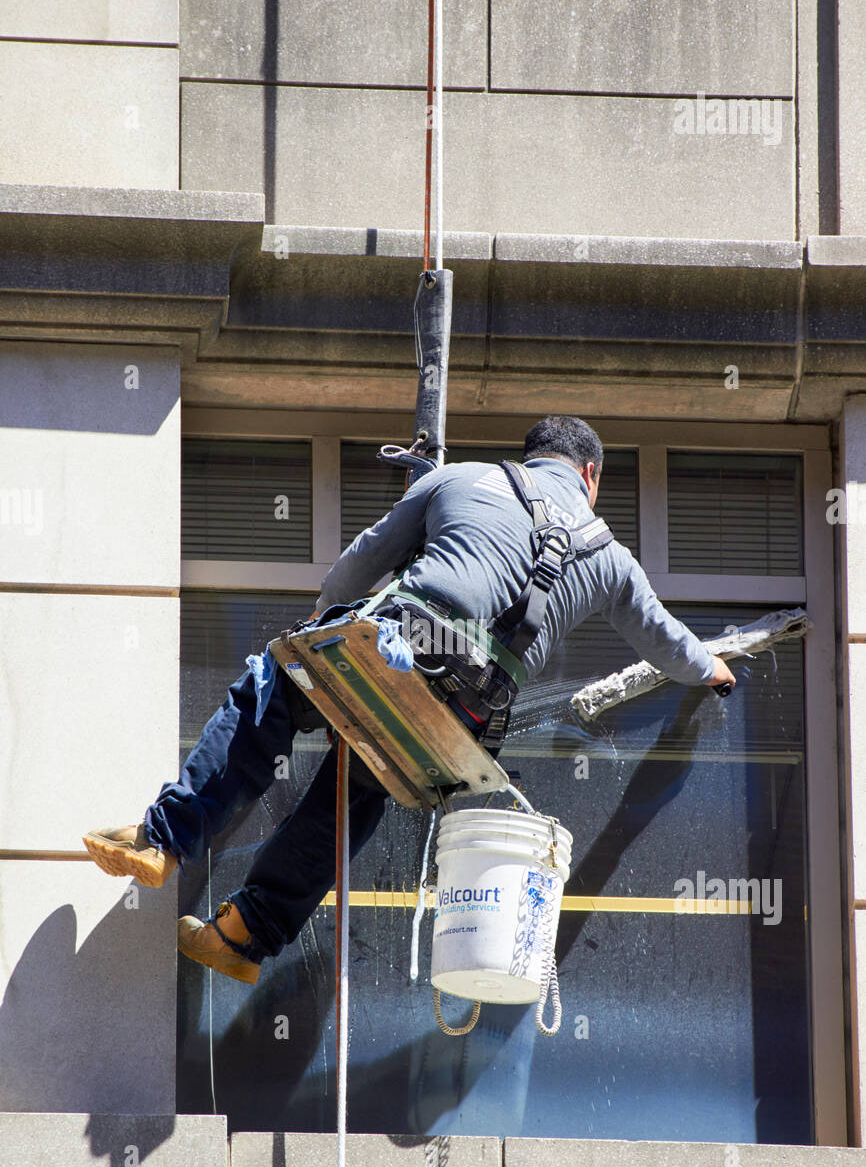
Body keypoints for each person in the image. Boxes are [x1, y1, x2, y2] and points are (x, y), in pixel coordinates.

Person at [83, 415, 735, 983]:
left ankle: (165, 839)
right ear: (590, 475)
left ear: (533, 455)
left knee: (271, 686)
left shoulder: (461, 480)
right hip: (468, 718)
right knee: (357, 788)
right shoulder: (611, 557)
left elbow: (360, 563)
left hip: (399, 646)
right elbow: (666, 641)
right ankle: (241, 937)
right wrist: (713, 669)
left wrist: (321, 628)